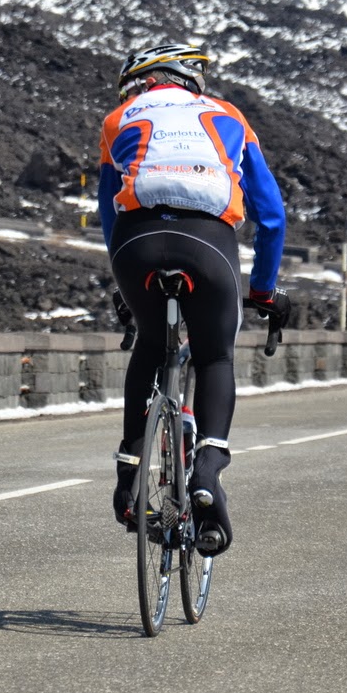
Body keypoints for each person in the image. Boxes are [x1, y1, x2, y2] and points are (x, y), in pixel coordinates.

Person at [98, 42, 292, 555]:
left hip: (136, 244)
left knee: (147, 344)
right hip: (209, 244)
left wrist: (126, 285)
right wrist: (264, 292)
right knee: (214, 354)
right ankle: (208, 465)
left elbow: (107, 213)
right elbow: (272, 216)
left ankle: (129, 474)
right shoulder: (229, 116)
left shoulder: (120, 117)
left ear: (142, 84)